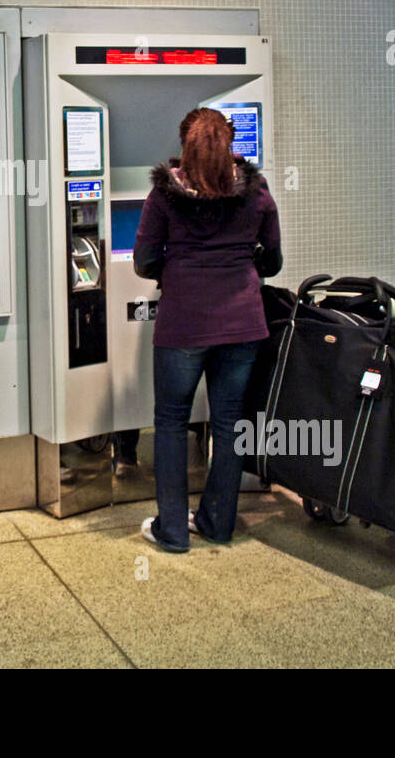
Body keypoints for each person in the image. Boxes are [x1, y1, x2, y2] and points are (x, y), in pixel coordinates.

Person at [133, 108, 282, 553]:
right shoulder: (257, 194)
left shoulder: (163, 195)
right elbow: (272, 262)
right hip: (241, 325)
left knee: (172, 422)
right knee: (229, 422)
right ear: (231, 143)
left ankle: (174, 531)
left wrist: (175, 271)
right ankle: (218, 524)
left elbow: (143, 261)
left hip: (183, 325)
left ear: (185, 145)